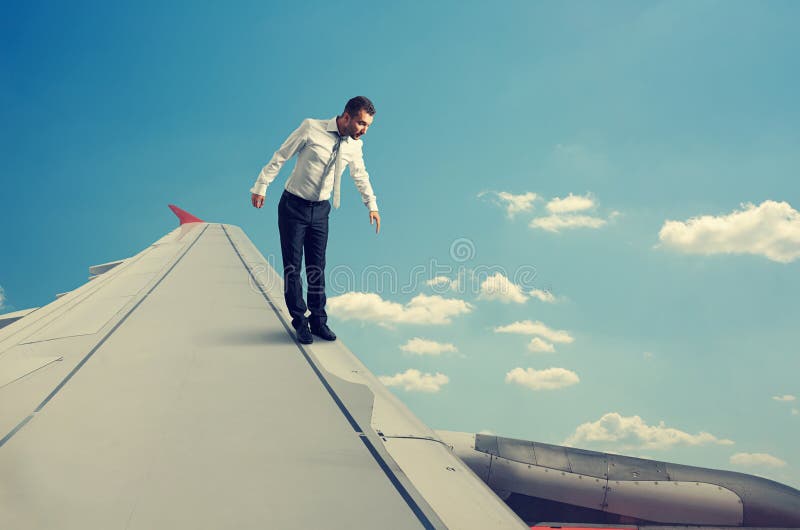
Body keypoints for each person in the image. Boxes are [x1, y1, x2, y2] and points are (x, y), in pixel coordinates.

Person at [250, 96, 381, 345]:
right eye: (361, 123)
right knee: (293, 268)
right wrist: (261, 185)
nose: (364, 131)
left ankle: (318, 320)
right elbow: (282, 155)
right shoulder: (311, 128)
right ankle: (299, 321)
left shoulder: (355, 146)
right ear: (346, 117)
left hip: (321, 210)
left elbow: (360, 175)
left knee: (317, 268)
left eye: (368, 126)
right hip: (293, 207)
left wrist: (371, 205)